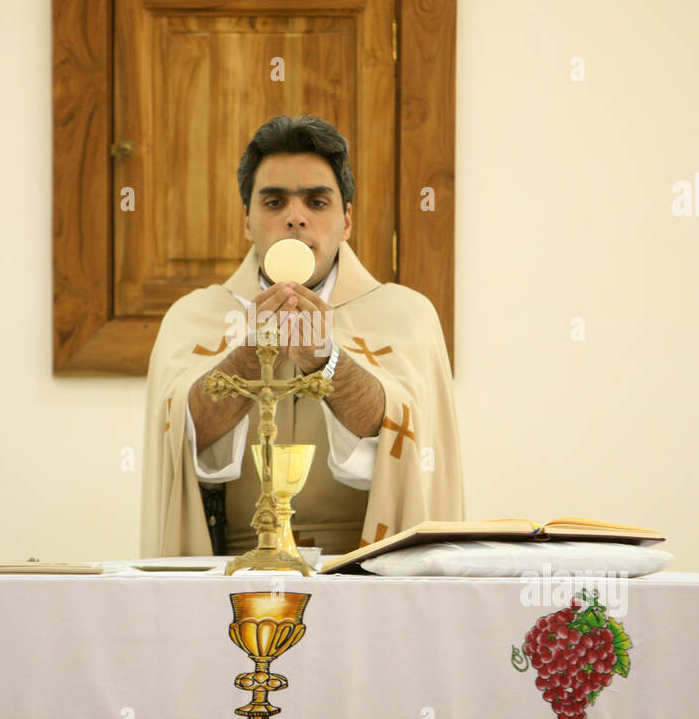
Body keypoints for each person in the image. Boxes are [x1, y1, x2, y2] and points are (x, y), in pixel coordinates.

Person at [140, 114, 464, 559]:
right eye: (274, 203)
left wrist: (327, 362)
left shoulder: (407, 315)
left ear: (347, 220)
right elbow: (179, 436)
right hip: (231, 566)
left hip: (365, 563)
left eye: (316, 202)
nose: (295, 218)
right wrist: (253, 353)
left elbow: (406, 440)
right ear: (247, 222)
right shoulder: (191, 317)